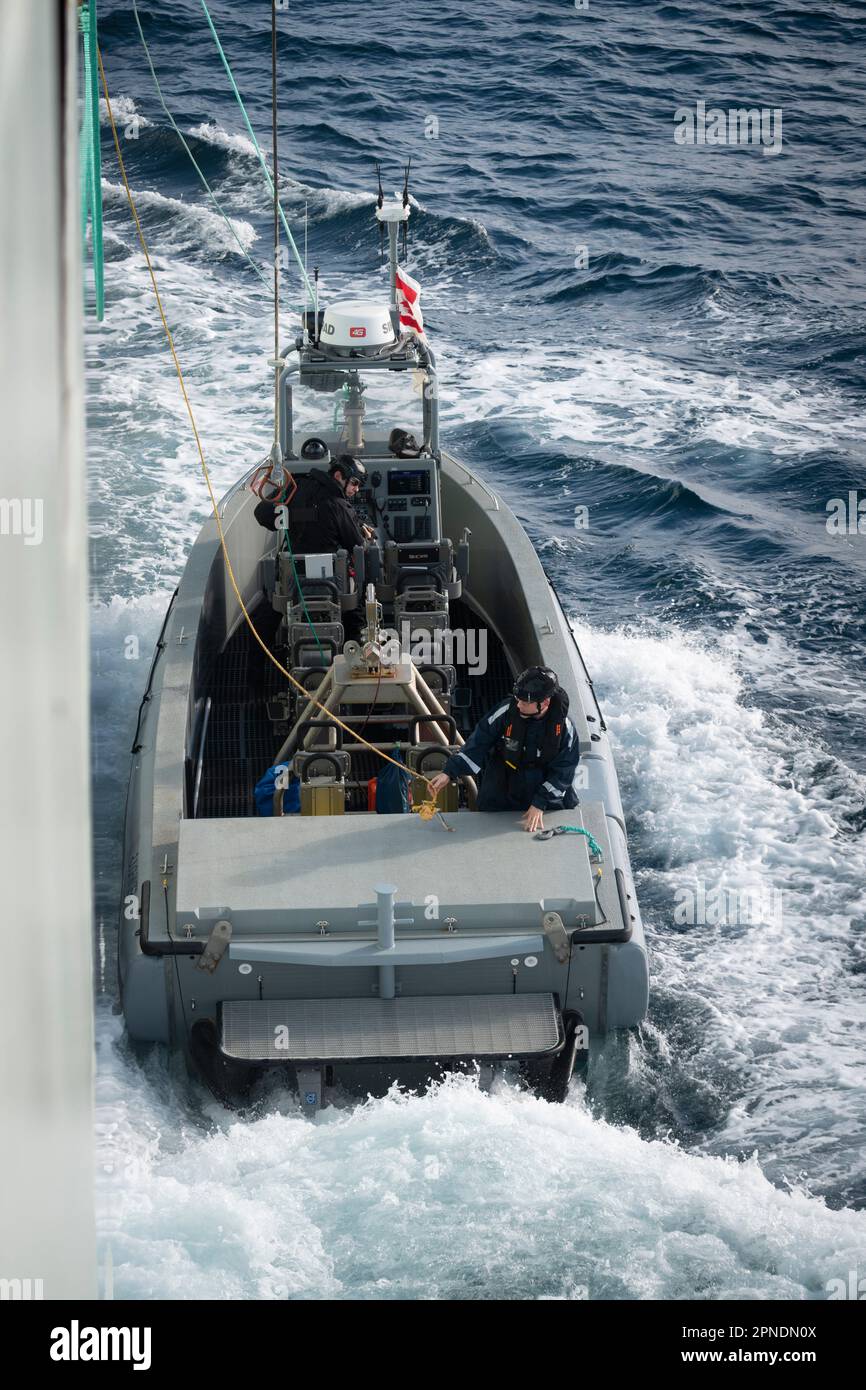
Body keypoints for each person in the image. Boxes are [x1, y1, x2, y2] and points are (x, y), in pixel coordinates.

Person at [428, 666, 580, 833]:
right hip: (504, 784)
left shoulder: (564, 728)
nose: (519, 704)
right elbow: (479, 742)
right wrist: (449, 772)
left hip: (543, 789)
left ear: (544, 703)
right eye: (518, 699)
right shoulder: (507, 712)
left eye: (525, 701)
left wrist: (540, 802)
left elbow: (564, 769)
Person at [254, 453, 375, 551]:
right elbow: (357, 547)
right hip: (331, 575)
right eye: (354, 483)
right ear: (338, 476)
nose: (357, 489)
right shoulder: (341, 507)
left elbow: (262, 514)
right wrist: (368, 539)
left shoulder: (296, 486)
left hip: (293, 569)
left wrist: (291, 515)